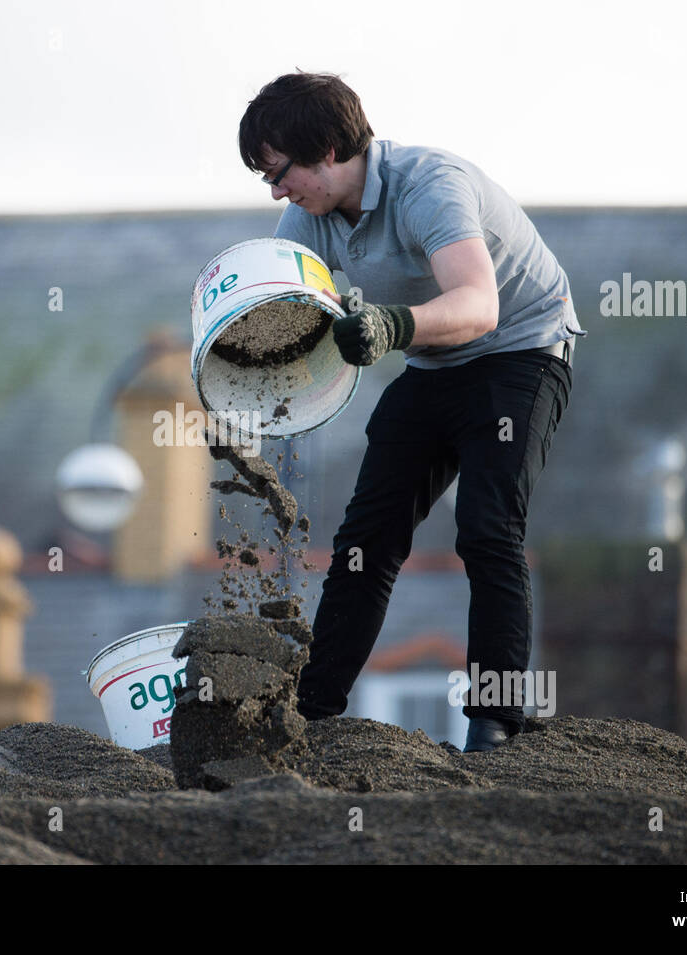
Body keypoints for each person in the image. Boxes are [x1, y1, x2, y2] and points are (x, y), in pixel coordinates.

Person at [238, 72, 584, 752]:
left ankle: (496, 723)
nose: (278, 193)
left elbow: (479, 307)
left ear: (329, 151)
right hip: (434, 361)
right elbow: (278, 318)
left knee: (487, 525)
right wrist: (242, 382)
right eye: (267, 180)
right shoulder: (304, 219)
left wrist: (391, 327)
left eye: (280, 174)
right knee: (367, 537)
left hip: (522, 350)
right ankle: (311, 716)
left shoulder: (431, 184)